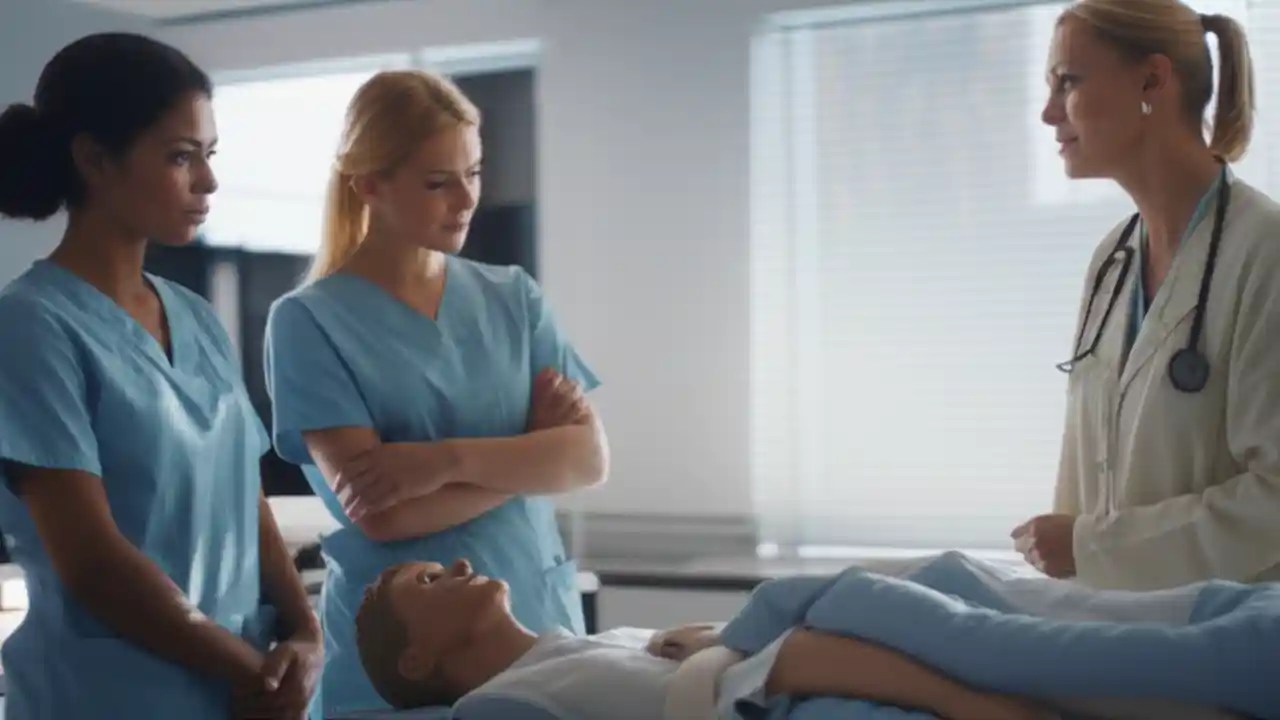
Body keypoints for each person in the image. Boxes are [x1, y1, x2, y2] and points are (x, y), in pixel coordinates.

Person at [264, 69, 608, 714]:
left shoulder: (513, 297)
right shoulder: (308, 320)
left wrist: (441, 462)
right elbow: (383, 514)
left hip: (536, 622)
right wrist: (531, 455)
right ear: (369, 184)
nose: (467, 198)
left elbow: (588, 460)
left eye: (474, 173)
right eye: (438, 181)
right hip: (400, 662)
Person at [0, 33, 321, 720]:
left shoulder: (196, 318)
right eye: (180, 157)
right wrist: (251, 673)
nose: (206, 182)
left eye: (209, 156)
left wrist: (303, 630)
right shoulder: (31, 327)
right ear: (93, 159)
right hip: (112, 697)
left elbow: (245, 493)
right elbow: (93, 564)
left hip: (243, 684)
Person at [1013, 0, 1280, 591]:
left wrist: (1089, 546)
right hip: (1111, 625)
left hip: (1228, 635)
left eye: (1068, 82)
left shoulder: (1267, 252)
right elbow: (1086, 482)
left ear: (1152, 80)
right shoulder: (1113, 261)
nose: (1048, 112)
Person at [354, 559, 1053, 720]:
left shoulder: (605, 640)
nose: (460, 566)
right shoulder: (497, 706)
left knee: (947, 579)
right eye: (428, 581)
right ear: (418, 659)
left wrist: (715, 639)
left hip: (812, 680)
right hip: (803, 708)